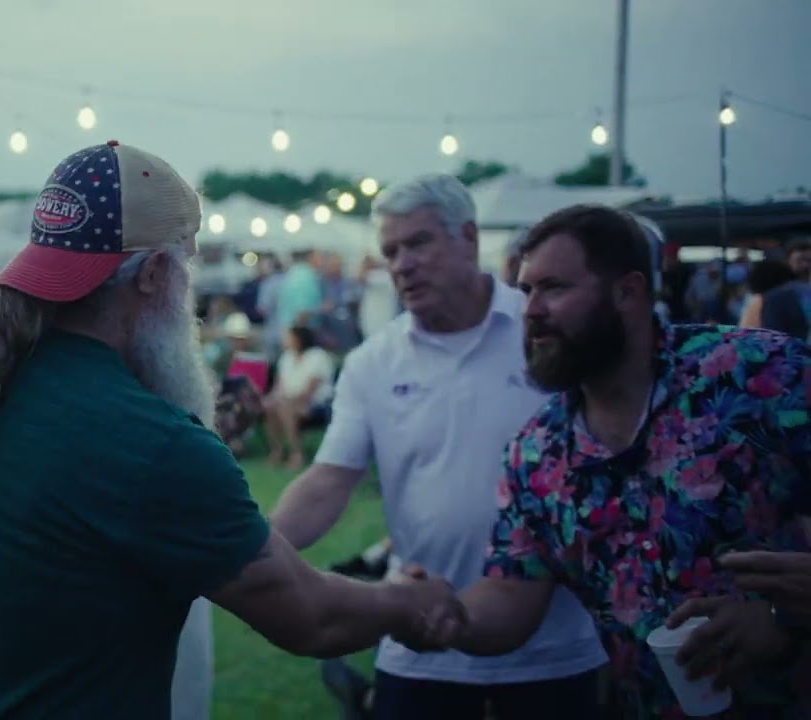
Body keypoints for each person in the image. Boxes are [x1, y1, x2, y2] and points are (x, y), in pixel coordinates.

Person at [0, 141, 466, 719]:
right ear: (150, 277)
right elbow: (311, 619)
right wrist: (407, 602)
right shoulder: (156, 442)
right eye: (183, 267)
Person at [405, 204, 811, 718]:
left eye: (553, 287)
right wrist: (448, 614)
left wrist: (779, 615)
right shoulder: (539, 453)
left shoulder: (753, 375)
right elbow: (512, 593)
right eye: (526, 290)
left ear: (628, 293)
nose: (529, 310)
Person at [270, 175, 606, 720]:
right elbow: (329, 480)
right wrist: (256, 548)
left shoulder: (542, 332)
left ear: (468, 238)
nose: (401, 263)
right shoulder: (373, 362)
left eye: (418, 242)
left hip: (555, 647)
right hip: (419, 642)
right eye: (390, 250)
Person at [263, 325, 335, 469]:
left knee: (284, 408)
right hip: (287, 402)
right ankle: (277, 451)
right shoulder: (286, 357)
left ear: (299, 339)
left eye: (288, 337)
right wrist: (273, 398)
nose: (285, 341)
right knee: (270, 406)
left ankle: (296, 453)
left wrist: (288, 401)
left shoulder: (318, 356)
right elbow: (279, 385)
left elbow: (310, 389)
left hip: (315, 403)